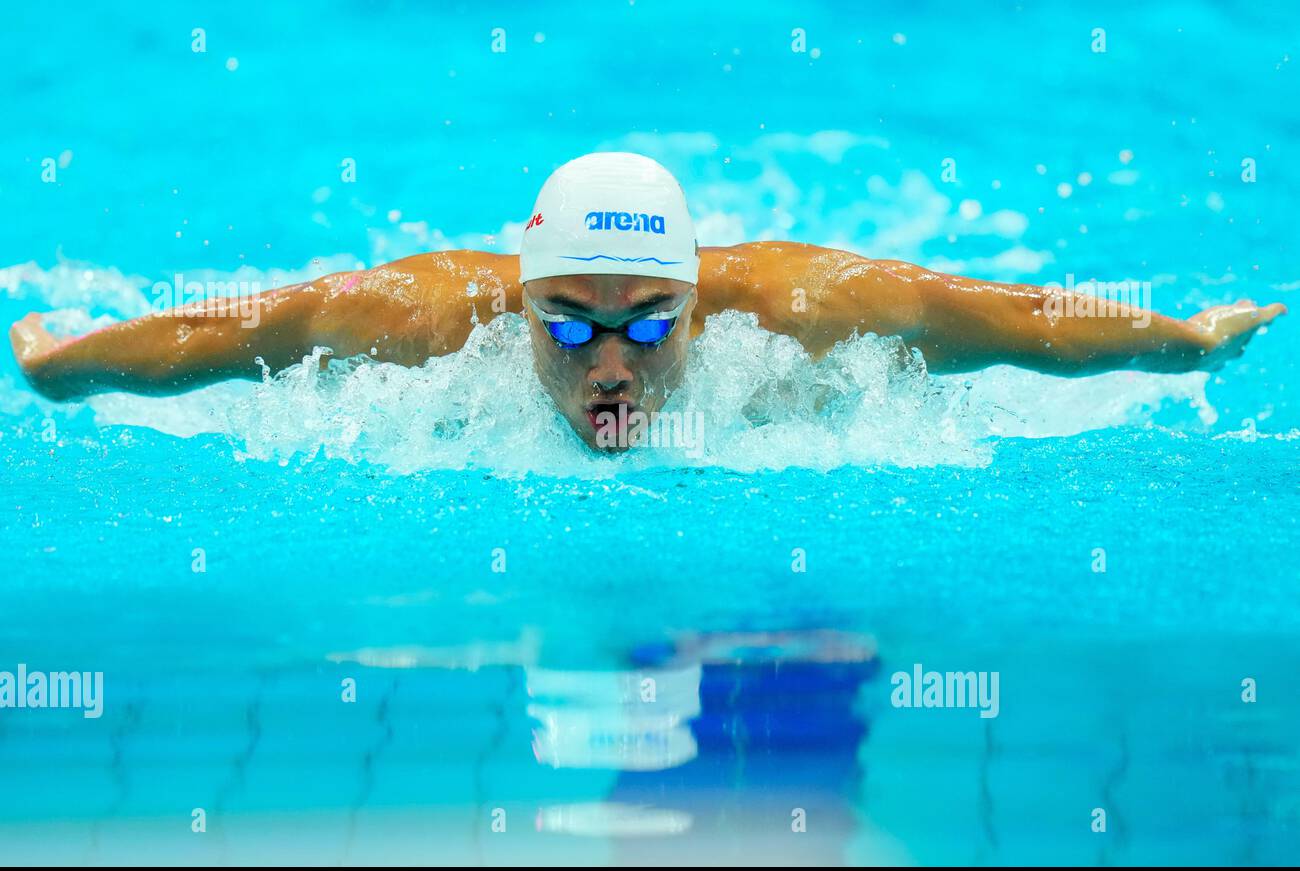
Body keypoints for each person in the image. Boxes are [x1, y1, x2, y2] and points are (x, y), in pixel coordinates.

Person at [9, 152, 1285, 450]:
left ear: (694, 300)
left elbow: (1016, 323)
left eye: (643, 324)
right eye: (566, 322)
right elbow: (224, 333)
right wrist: (61, 363)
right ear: (519, 308)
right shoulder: (427, 318)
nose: (606, 363)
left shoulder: (797, 305)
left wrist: (1184, 343)